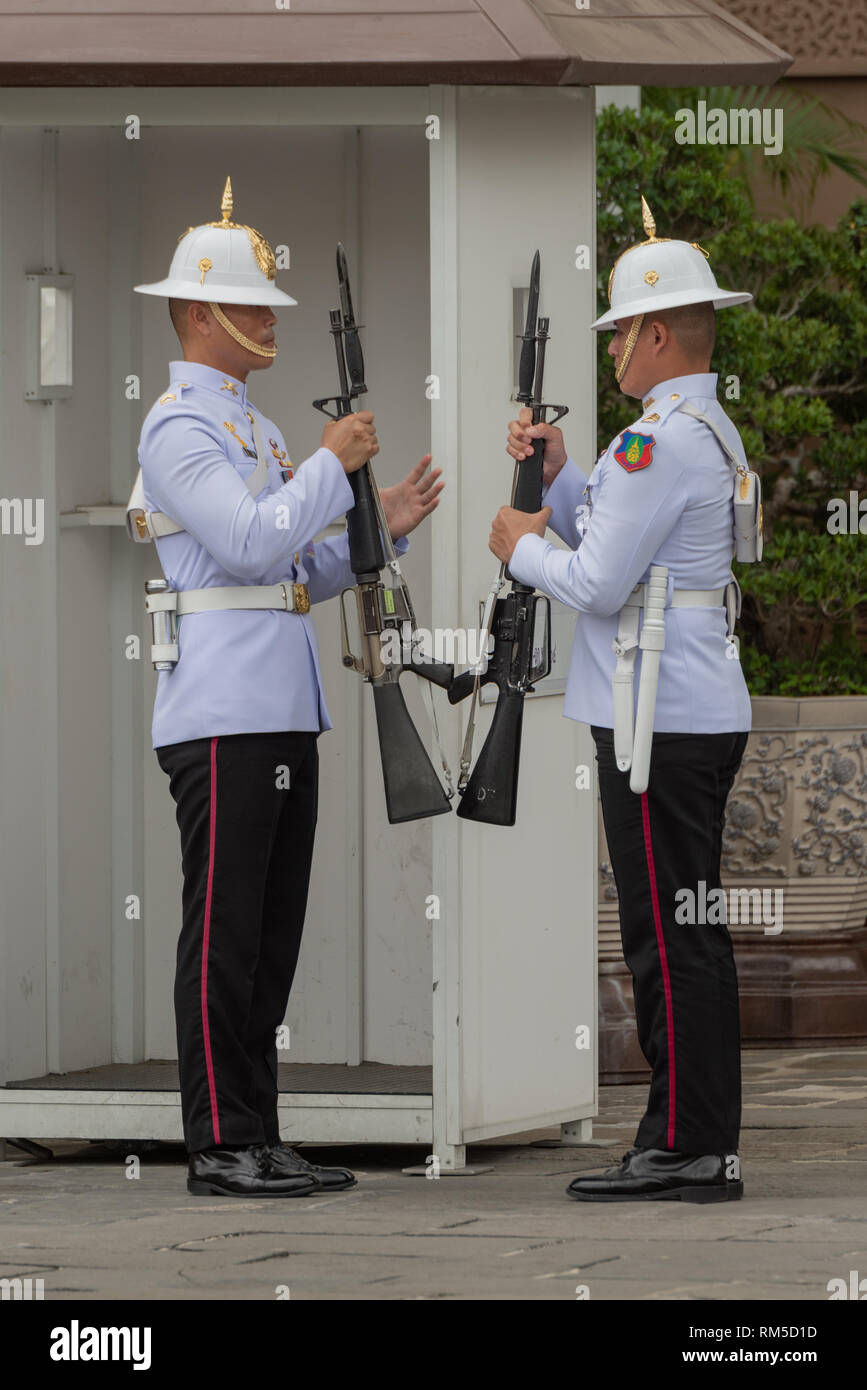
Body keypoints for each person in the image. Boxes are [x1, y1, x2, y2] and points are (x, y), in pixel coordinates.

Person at [130, 178, 443, 1198]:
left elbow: (296, 573)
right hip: (223, 713)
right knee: (223, 932)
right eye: (250, 305)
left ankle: (257, 1131)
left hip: (279, 705)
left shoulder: (255, 431)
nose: (267, 320)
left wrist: (377, 527)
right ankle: (218, 1139)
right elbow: (249, 537)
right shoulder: (179, 428)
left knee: (267, 938)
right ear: (196, 314)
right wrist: (328, 466)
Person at [491, 198, 758, 1203]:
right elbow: (618, 538)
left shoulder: (659, 443)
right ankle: (699, 1138)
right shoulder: (689, 431)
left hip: (660, 717)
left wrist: (519, 542)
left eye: (618, 335)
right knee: (686, 921)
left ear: (654, 334)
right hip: (686, 703)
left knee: (668, 930)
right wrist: (559, 480)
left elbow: (599, 582)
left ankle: (685, 1141)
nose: (612, 354)